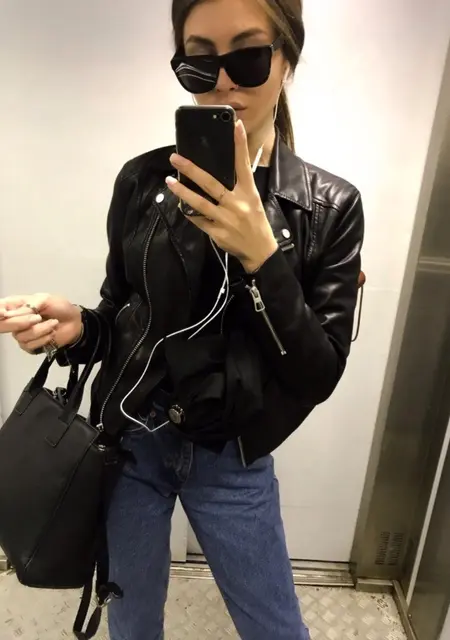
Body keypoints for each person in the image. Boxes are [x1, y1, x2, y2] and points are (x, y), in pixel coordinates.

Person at [0, 0, 364, 638]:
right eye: (198, 62)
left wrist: (263, 257)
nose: (221, 82)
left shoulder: (328, 207)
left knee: (276, 628)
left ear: (286, 58)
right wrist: (78, 327)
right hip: (131, 445)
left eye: (247, 57)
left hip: (233, 459)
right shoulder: (143, 182)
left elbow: (318, 372)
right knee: (131, 622)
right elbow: (121, 313)